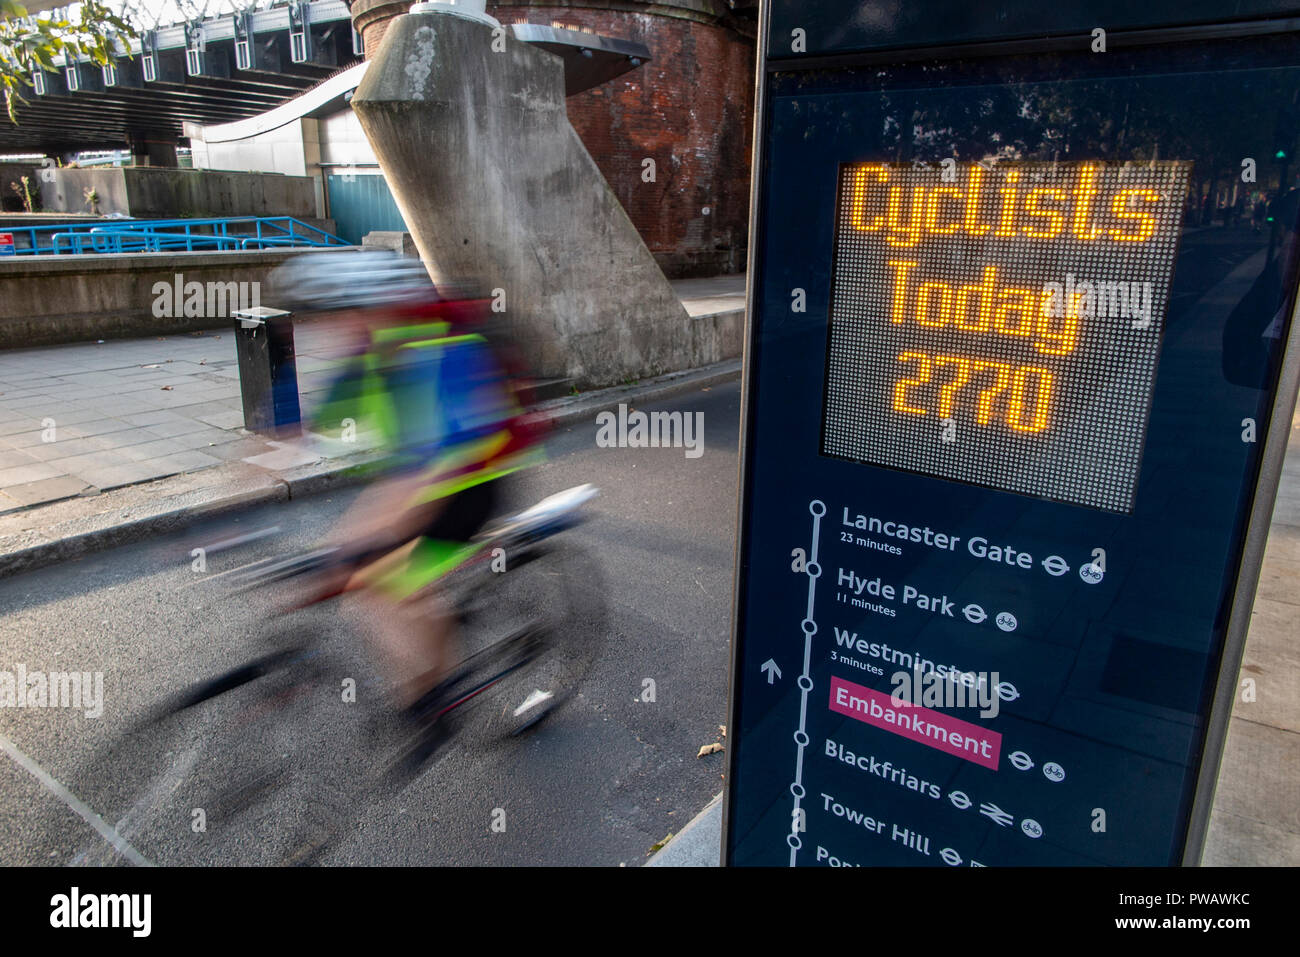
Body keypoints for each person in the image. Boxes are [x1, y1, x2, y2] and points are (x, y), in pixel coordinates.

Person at [271, 251, 547, 770]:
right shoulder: (362, 354)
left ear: (374, 310)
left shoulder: (435, 355)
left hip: (472, 479)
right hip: (415, 477)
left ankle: (436, 698)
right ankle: (429, 660)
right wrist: (222, 519)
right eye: (318, 318)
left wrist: (367, 550)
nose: (325, 329)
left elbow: (439, 470)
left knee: (382, 585)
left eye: (334, 315)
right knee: (356, 571)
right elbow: (291, 436)